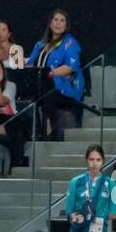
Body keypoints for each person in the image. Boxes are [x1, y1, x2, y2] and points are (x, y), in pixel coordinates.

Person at [27, 9, 84, 142]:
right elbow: (30, 64)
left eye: (62, 20)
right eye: (55, 19)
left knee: (48, 88)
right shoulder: (40, 44)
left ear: (66, 25)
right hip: (42, 86)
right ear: (50, 23)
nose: (58, 23)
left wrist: (49, 73)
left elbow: (70, 67)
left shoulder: (70, 43)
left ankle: (47, 126)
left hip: (65, 88)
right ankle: (33, 131)